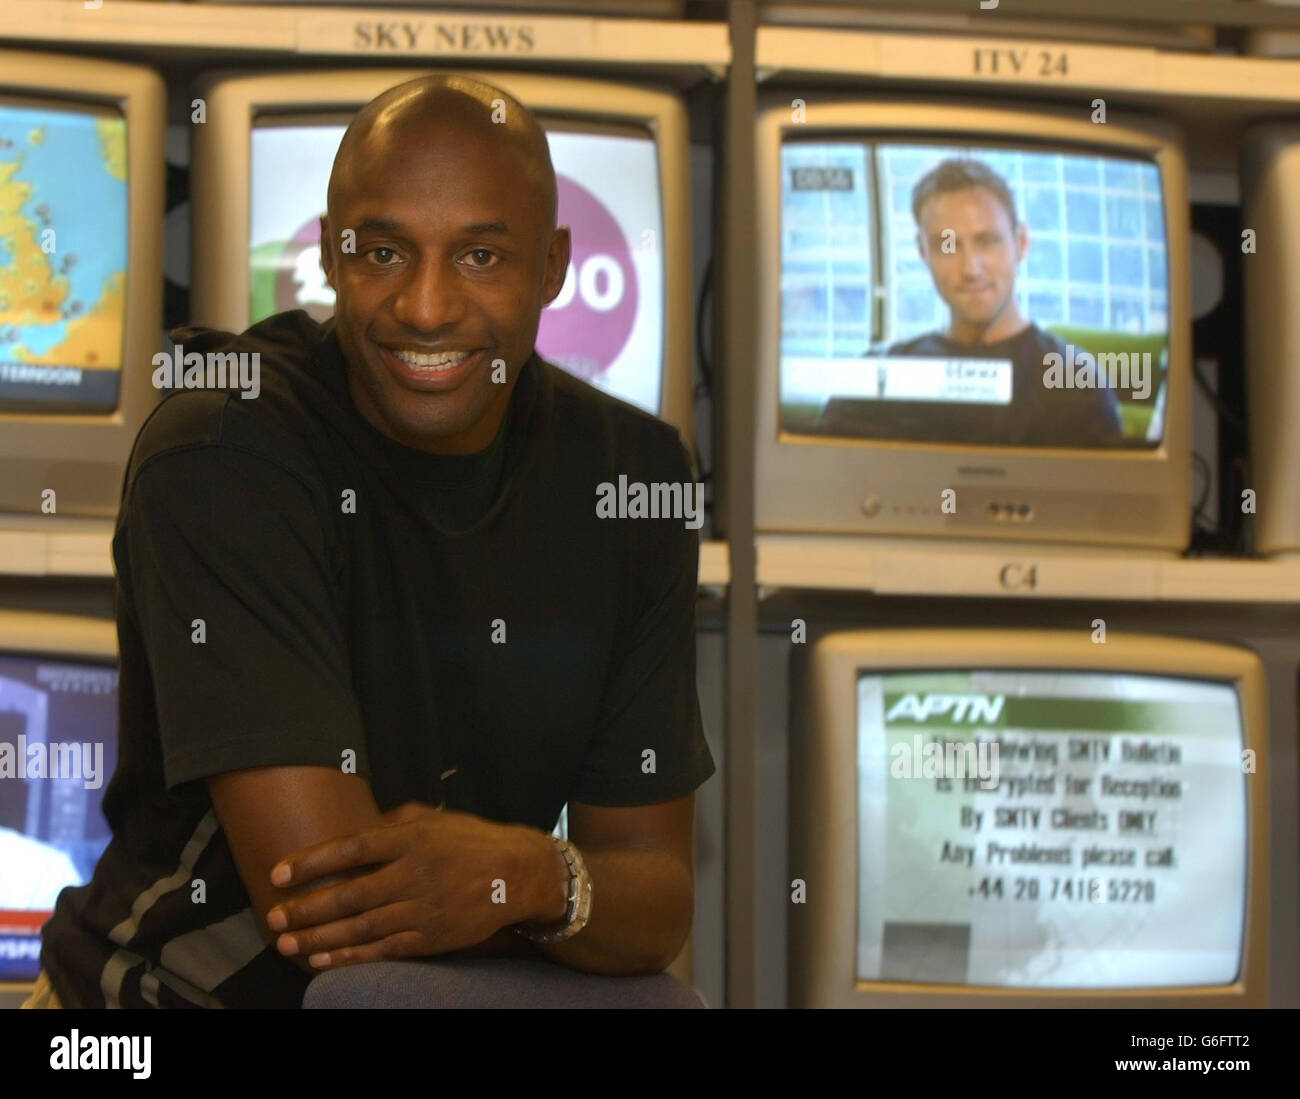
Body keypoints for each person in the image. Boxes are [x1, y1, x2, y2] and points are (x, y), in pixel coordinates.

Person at [31, 74, 714, 1009]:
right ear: (330, 254)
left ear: (553, 267)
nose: (426, 307)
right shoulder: (226, 448)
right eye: (385, 252)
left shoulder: (633, 474)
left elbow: (658, 900)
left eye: (481, 255)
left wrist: (519, 872)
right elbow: (331, 905)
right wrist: (558, 886)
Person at [820, 158, 1125, 447]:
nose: (971, 269)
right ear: (923, 252)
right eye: (948, 245)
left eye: (987, 242)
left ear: (1020, 243)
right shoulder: (877, 379)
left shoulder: (1076, 383)